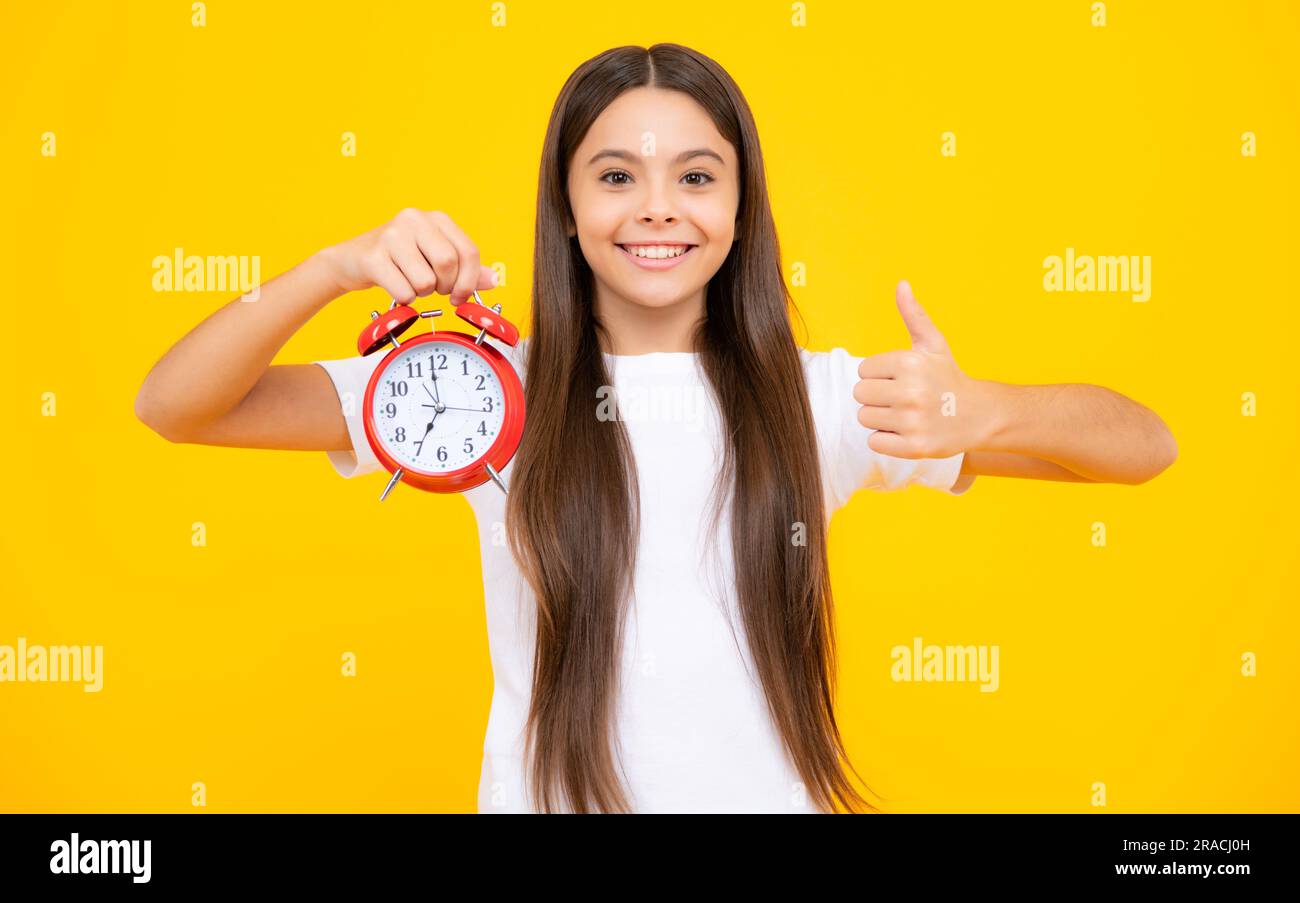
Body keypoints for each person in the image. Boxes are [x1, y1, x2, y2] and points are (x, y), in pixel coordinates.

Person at [135, 43, 1177, 814]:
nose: (657, 209)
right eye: (616, 175)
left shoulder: (815, 400)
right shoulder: (471, 391)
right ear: (568, 202)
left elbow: (1142, 448)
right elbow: (177, 406)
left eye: (695, 175)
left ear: (738, 203)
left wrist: (992, 409)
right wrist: (336, 266)